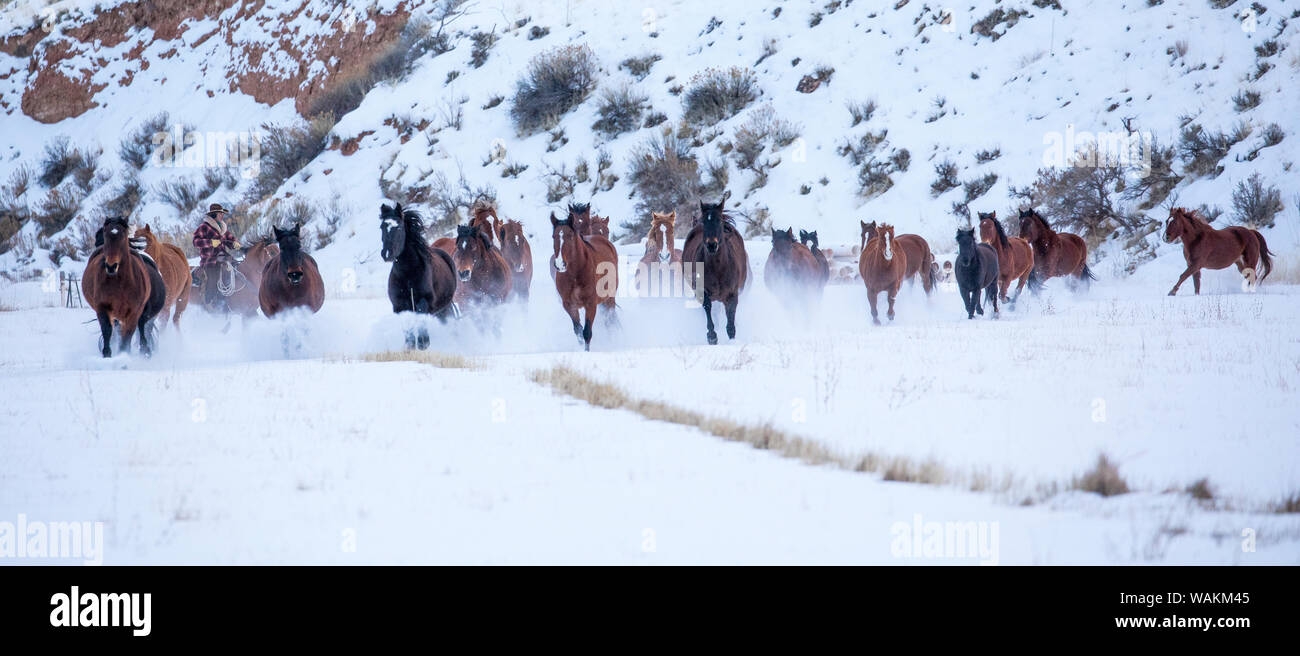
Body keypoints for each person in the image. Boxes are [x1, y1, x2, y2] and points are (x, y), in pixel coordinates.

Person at [192, 203, 241, 311]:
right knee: (212, 280)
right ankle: (209, 303)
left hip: (224, 258)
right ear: (214, 215)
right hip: (210, 260)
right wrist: (210, 242)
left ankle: (233, 301)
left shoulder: (222, 227)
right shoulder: (203, 227)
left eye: (222, 214)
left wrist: (235, 243)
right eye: (220, 214)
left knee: (238, 272)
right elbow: (195, 242)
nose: (222, 216)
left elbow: (230, 239)